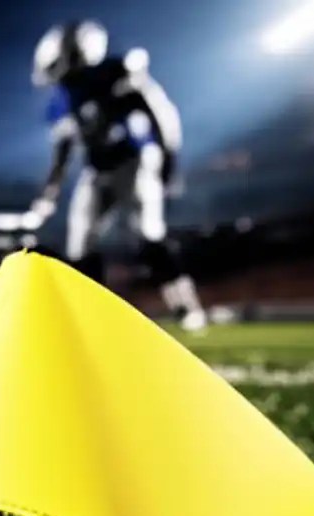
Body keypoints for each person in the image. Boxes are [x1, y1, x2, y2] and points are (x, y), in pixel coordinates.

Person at [22, 20, 208, 332]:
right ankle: (90, 315)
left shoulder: (116, 73)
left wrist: (168, 161)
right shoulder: (63, 98)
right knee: (80, 246)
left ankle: (186, 307)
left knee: (148, 234)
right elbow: (63, 149)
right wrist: (49, 192)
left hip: (132, 161)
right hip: (96, 170)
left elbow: (160, 112)